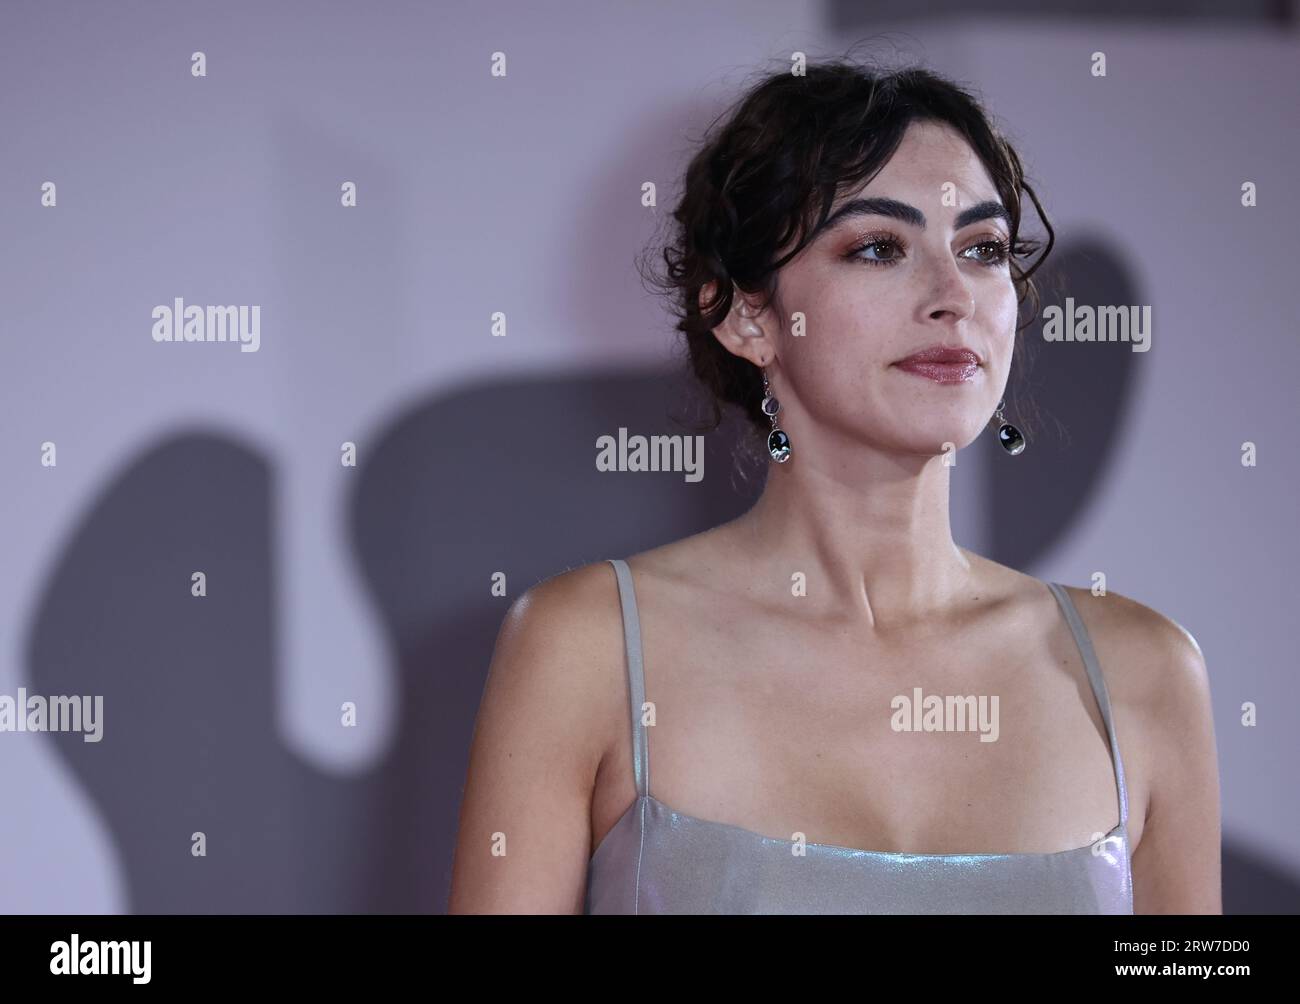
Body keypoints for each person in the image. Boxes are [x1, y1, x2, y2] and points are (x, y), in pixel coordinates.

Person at [447, 58, 1221, 914]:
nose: (953, 294)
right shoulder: (585, 648)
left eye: (984, 248)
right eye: (879, 247)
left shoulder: (1145, 672)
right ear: (746, 315)